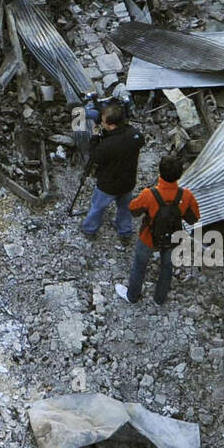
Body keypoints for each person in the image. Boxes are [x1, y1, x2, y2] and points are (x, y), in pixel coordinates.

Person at [118, 154, 200, 306]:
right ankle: (159, 299)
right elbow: (194, 218)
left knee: (140, 264)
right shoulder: (186, 195)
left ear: (160, 172)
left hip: (148, 237)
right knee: (167, 267)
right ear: (179, 175)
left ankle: (133, 296)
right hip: (173, 238)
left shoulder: (149, 194)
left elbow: (133, 209)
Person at [80, 98, 143, 240]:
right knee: (125, 208)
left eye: (103, 122)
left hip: (108, 184)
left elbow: (95, 157)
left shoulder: (107, 145)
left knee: (97, 207)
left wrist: (95, 138)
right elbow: (140, 139)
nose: (101, 123)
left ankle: (90, 229)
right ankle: (125, 232)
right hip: (127, 182)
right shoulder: (134, 135)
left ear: (112, 125)